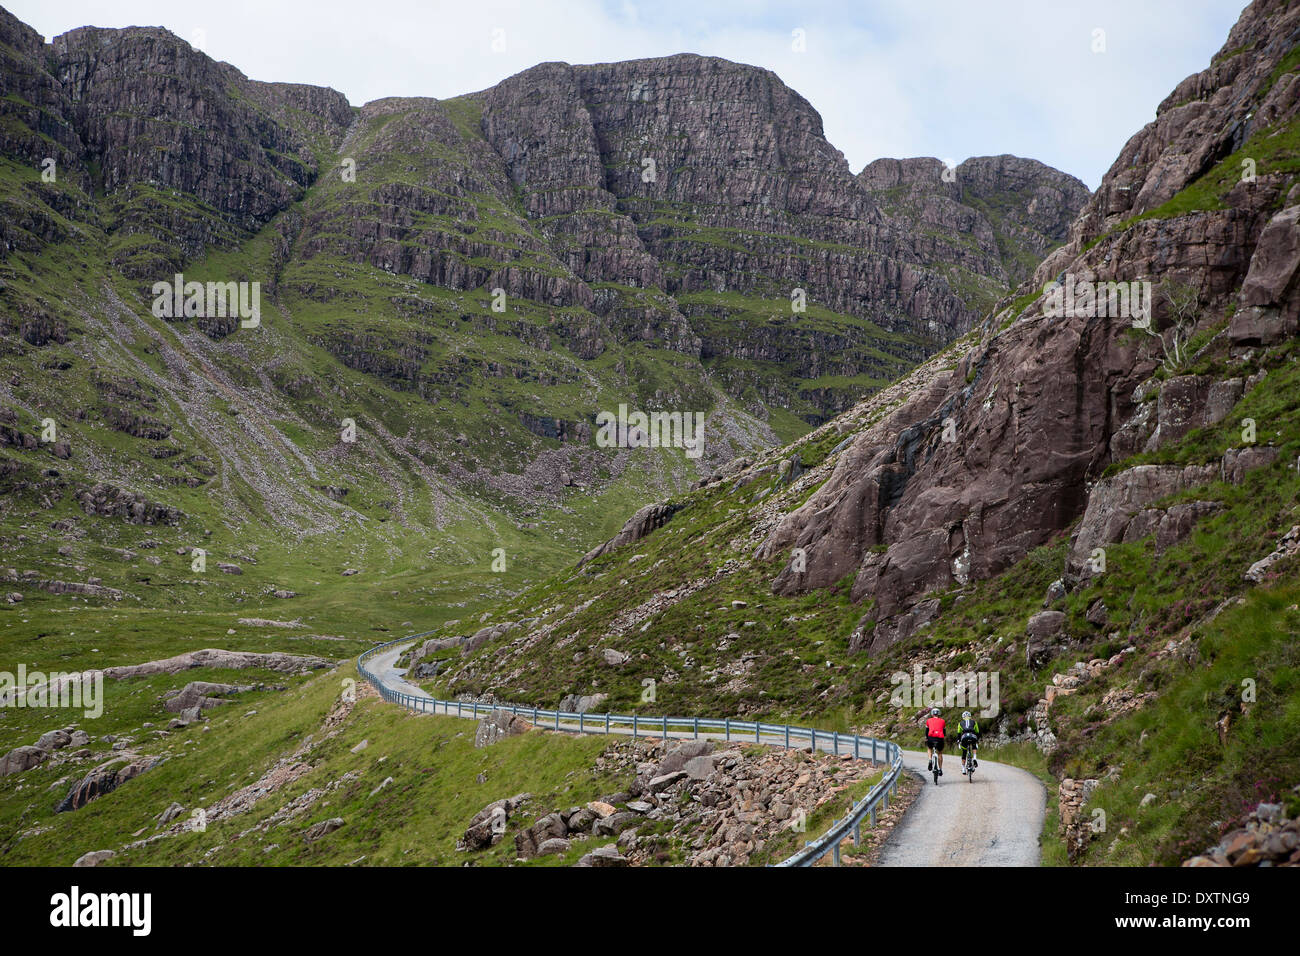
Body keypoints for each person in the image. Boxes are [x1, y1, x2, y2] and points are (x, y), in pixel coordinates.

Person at [923, 707, 946, 775]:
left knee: (929, 748)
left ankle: (930, 760)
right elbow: (944, 732)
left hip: (931, 738)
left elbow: (927, 731)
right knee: (940, 753)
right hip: (939, 739)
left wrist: (926, 738)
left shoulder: (928, 720)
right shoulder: (943, 721)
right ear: (938, 714)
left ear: (932, 714)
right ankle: (940, 769)